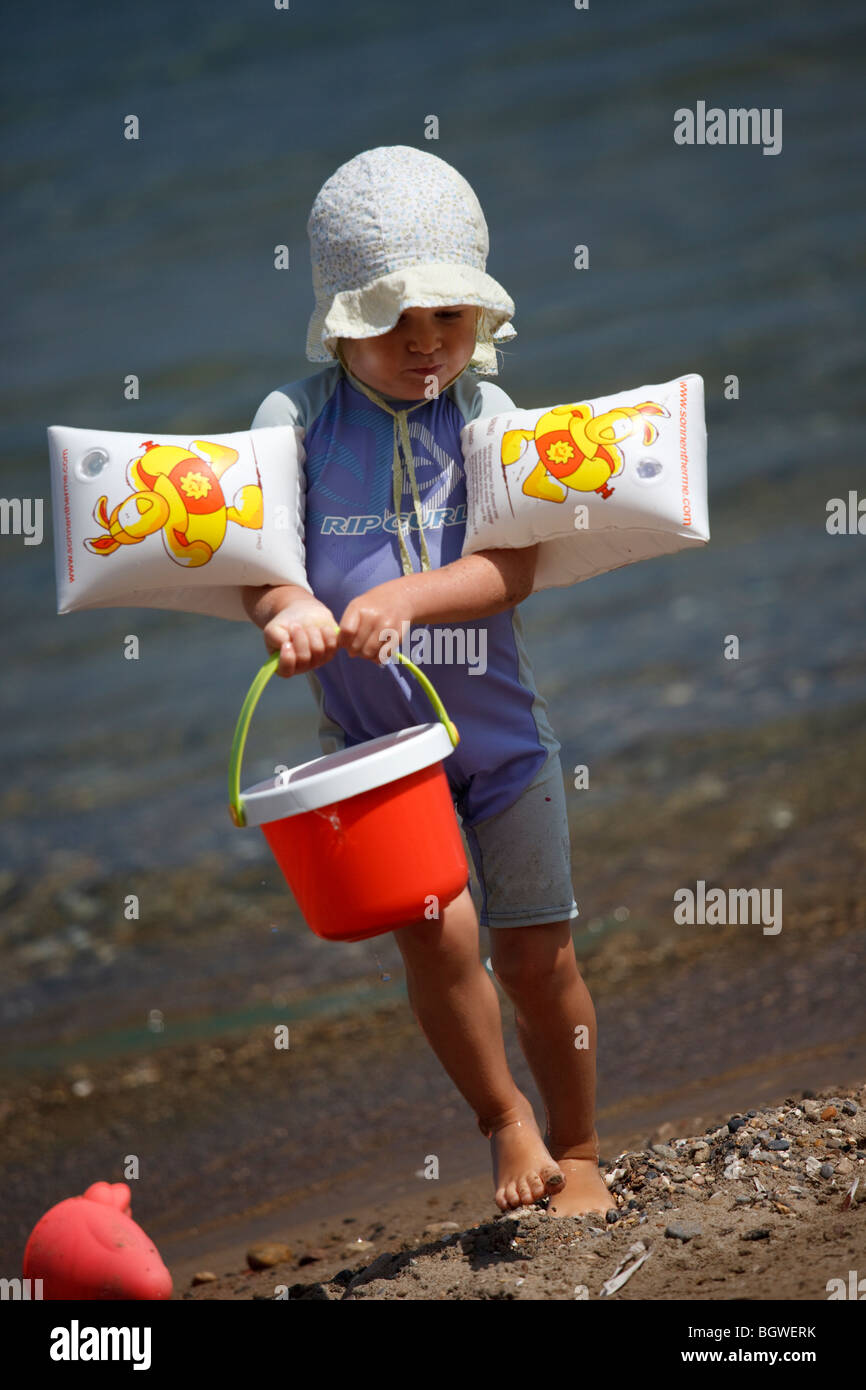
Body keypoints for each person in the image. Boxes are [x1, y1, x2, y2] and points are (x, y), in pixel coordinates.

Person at [242, 145, 614, 1218]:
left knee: (538, 955)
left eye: (446, 321)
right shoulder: (295, 420)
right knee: (437, 935)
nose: (424, 345)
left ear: (478, 321)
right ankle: (506, 1121)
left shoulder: (485, 414)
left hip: (501, 746)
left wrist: (405, 598)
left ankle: (579, 1146)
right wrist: (288, 610)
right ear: (335, 321)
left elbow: (513, 568)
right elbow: (248, 556)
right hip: (375, 762)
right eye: (393, 325)